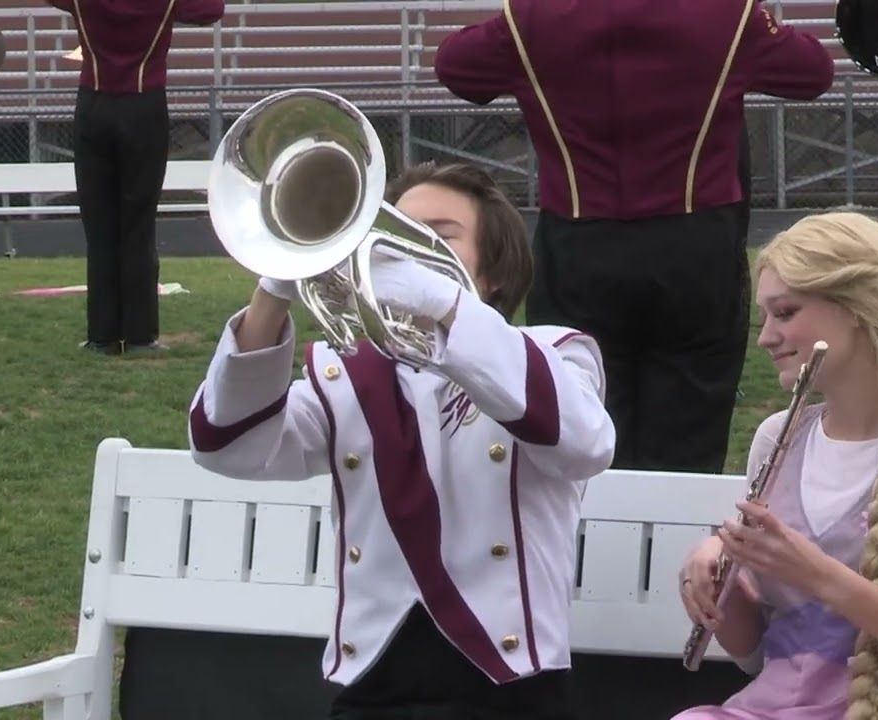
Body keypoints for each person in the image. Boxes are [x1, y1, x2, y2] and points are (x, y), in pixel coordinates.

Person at [187, 161, 617, 720]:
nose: (404, 250)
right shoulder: (343, 376)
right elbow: (225, 444)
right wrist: (275, 282)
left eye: (440, 236)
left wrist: (444, 304)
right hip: (372, 691)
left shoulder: (551, 354)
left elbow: (585, 444)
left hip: (514, 694)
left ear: (493, 275)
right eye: (391, 231)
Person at [434, 0, 834, 474]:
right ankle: (672, 543)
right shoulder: (726, 13)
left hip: (580, 245)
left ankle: (590, 544)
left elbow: (454, 65)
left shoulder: (532, 17)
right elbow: (813, 71)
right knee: (690, 430)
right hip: (694, 246)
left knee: (579, 423)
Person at [673, 211, 878, 718]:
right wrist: (714, 587)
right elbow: (757, 658)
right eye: (762, 318)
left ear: (858, 309)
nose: (766, 337)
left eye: (785, 313)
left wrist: (823, 577)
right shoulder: (776, 440)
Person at [43, 0, 226, 355]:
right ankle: (141, 336)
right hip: (144, 105)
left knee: (99, 228)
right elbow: (212, 9)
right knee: (138, 225)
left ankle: (102, 336)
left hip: (93, 105)